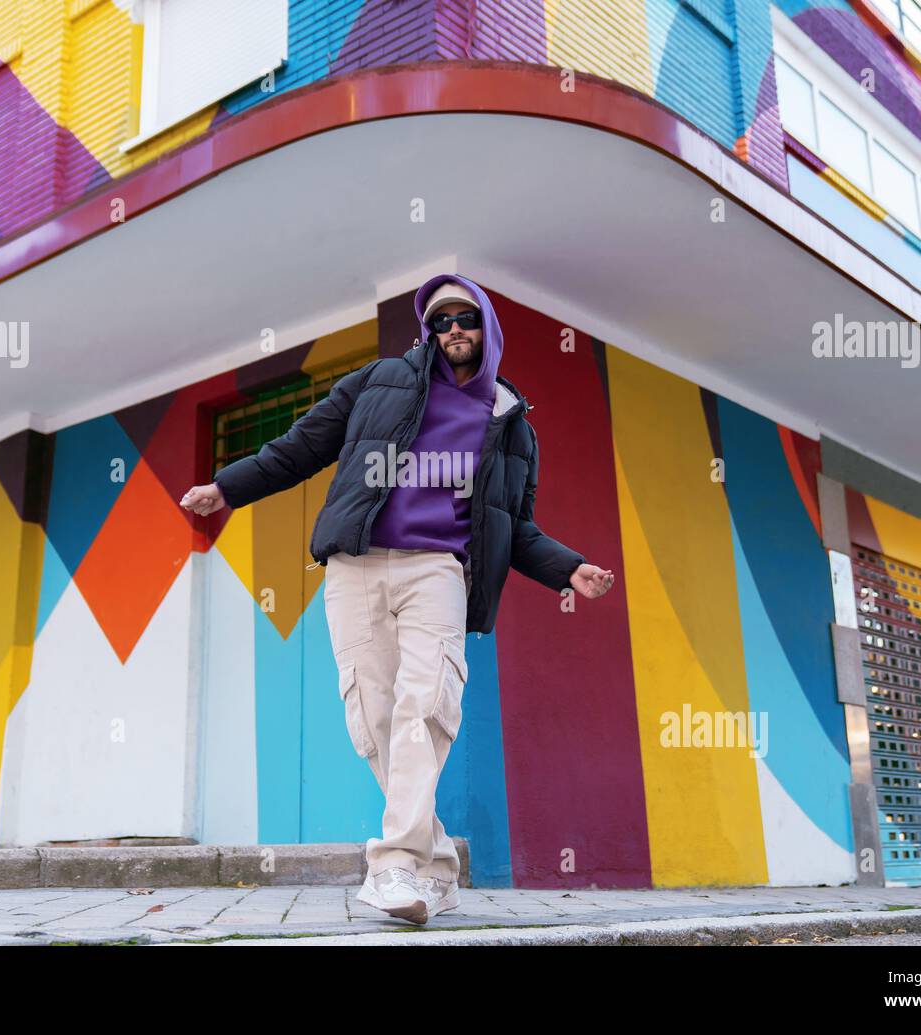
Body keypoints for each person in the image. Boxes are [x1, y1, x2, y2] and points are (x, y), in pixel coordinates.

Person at [179, 274, 614, 924]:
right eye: (440, 322)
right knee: (373, 718)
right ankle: (436, 862)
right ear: (427, 332)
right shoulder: (377, 382)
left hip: (437, 570)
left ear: (486, 326)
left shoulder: (512, 429)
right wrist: (228, 486)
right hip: (354, 564)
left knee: (424, 707)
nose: (453, 331)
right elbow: (302, 445)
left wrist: (567, 568)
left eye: (464, 318)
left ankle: (393, 865)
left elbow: (514, 527)